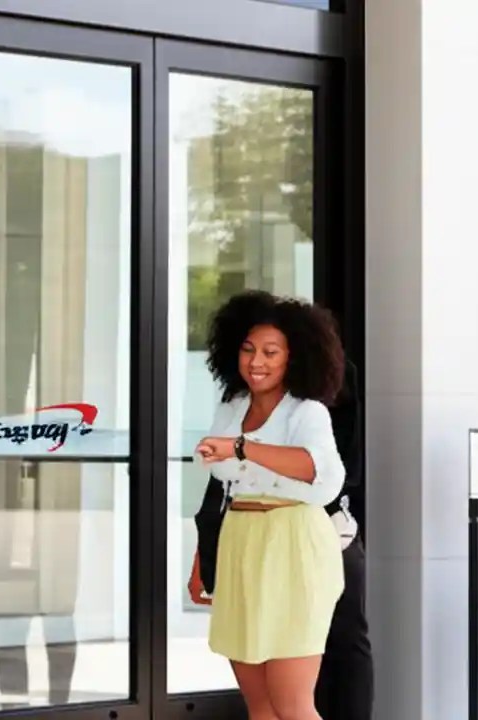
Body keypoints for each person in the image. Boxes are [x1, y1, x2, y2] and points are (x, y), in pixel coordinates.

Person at [191, 290, 347, 720]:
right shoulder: (232, 406)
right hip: (242, 542)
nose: (256, 361)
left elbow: (321, 473)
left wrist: (242, 448)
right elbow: (224, 493)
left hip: (294, 544)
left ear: (293, 357)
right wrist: (201, 563)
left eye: (270, 352)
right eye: (247, 349)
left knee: (292, 704)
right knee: (259, 706)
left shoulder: (307, 412)